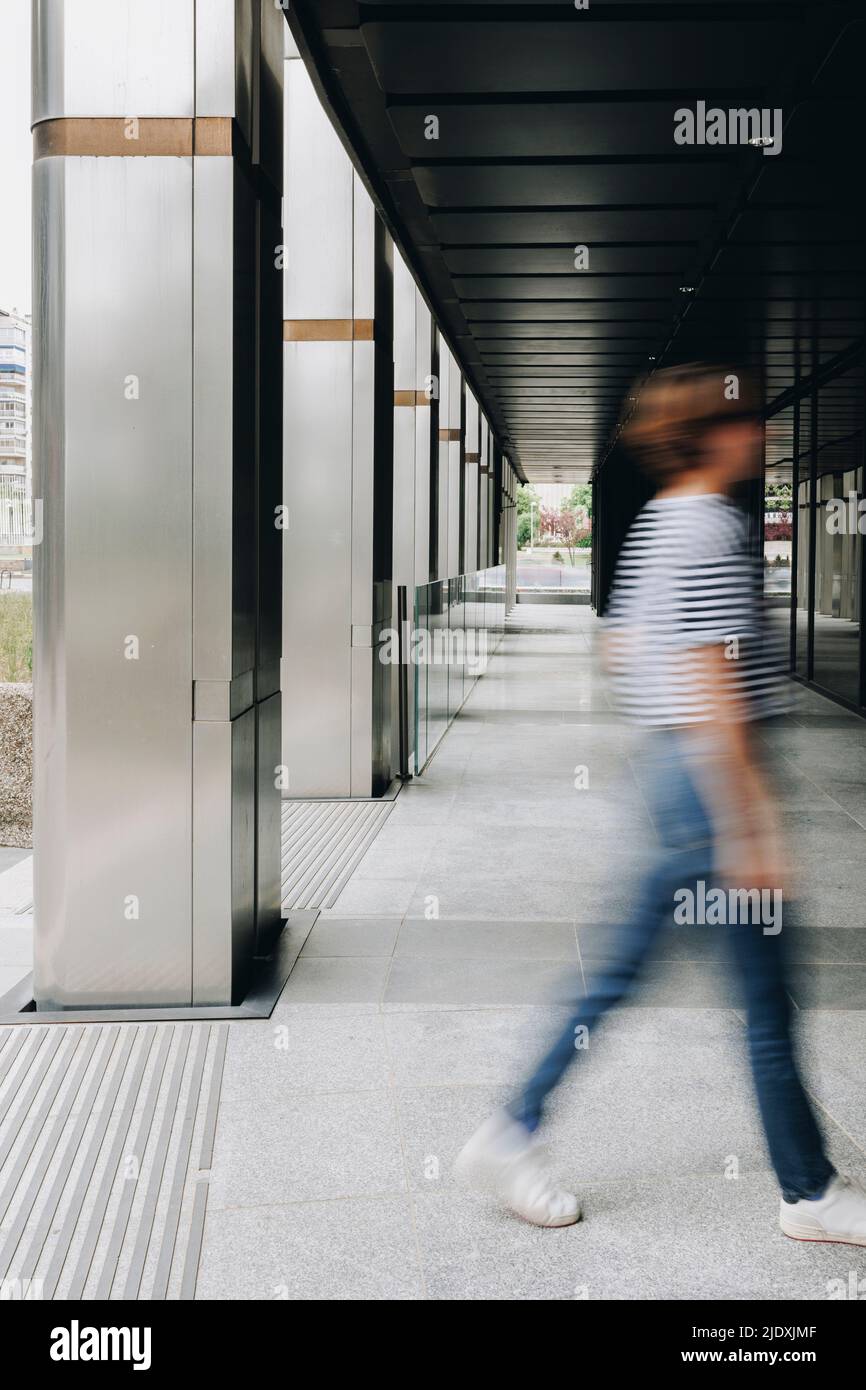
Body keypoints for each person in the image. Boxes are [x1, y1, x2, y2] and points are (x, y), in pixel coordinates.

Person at [455, 362, 866, 1244]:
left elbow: (625, 648)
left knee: (630, 975)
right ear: (707, 435)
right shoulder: (711, 525)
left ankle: (513, 1129)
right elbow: (712, 675)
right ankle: (808, 1192)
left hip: (675, 776)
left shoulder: (660, 523)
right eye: (745, 419)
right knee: (761, 998)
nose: (759, 432)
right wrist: (748, 819)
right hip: (710, 784)